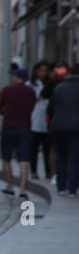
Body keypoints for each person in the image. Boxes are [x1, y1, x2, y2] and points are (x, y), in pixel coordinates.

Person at [0, 68, 36, 198]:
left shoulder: (7, 90)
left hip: (9, 127)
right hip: (25, 128)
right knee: (23, 159)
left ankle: (10, 186)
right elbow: (31, 108)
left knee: (6, 158)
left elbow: (1, 109)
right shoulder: (31, 92)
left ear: (16, 77)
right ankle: (23, 189)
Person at [49, 62, 79, 196]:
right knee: (75, 157)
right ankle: (72, 188)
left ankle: (61, 186)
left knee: (62, 155)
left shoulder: (60, 87)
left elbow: (53, 106)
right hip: (76, 126)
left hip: (59, 125)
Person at [28, 60, 53, 181]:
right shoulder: (31, 84)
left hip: (47, 120)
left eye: (45, 71)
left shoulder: (51, 84)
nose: (43, 73)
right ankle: (33, 171)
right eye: (41, 70)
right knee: (33, 147)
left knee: (47, 148)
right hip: (34, 118)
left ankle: (49, 171)